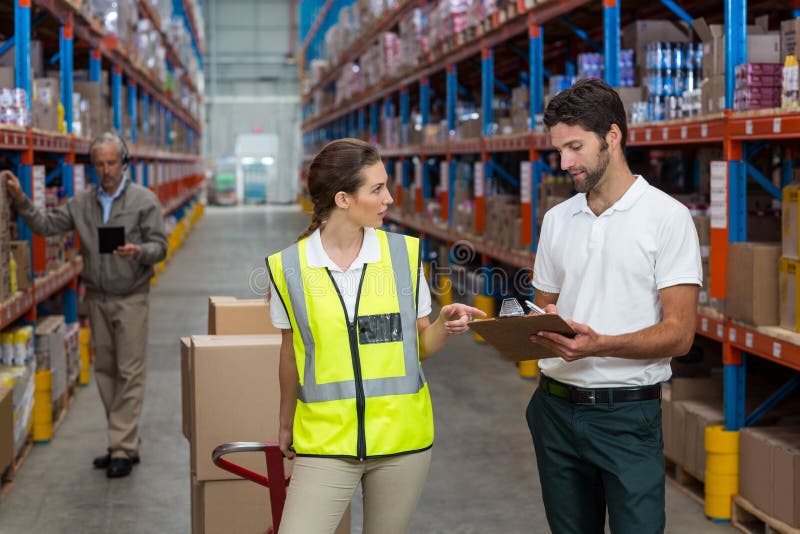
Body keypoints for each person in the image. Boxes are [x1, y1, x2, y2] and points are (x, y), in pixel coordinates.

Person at [266, 138, 485, 533]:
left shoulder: (404, 256)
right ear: (343, 199)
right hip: (325, 442)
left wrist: (443, 324)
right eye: (377, 189)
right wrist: (285, 423)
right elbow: (290, 353)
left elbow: (419, 346)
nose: (389, 199)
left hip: (402, 441)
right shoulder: (288, 267)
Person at [526, 79, 702, 534]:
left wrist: (599, 344)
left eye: (575, 147)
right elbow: (543, 308)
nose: (565, 163)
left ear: (612, 136)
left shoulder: (667, 218)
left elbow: (680, 334)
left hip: (627, 417)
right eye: (558, 150)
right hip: (554, 410)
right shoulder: (557, 220)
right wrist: (525, 324)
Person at [2, 132, 167, 478]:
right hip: (97, 296)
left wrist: (138, 252)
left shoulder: (144, 200)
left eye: (112, 163)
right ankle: (123, 442)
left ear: (123, 163)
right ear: (93, 167)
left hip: (131, 297)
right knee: (105, 371)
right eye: (100, 164)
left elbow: (160, 246)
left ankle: (122, 446)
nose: (106, 171)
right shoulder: (82, 203)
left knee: (130, 372)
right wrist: (20, 199)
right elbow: (46, 225)